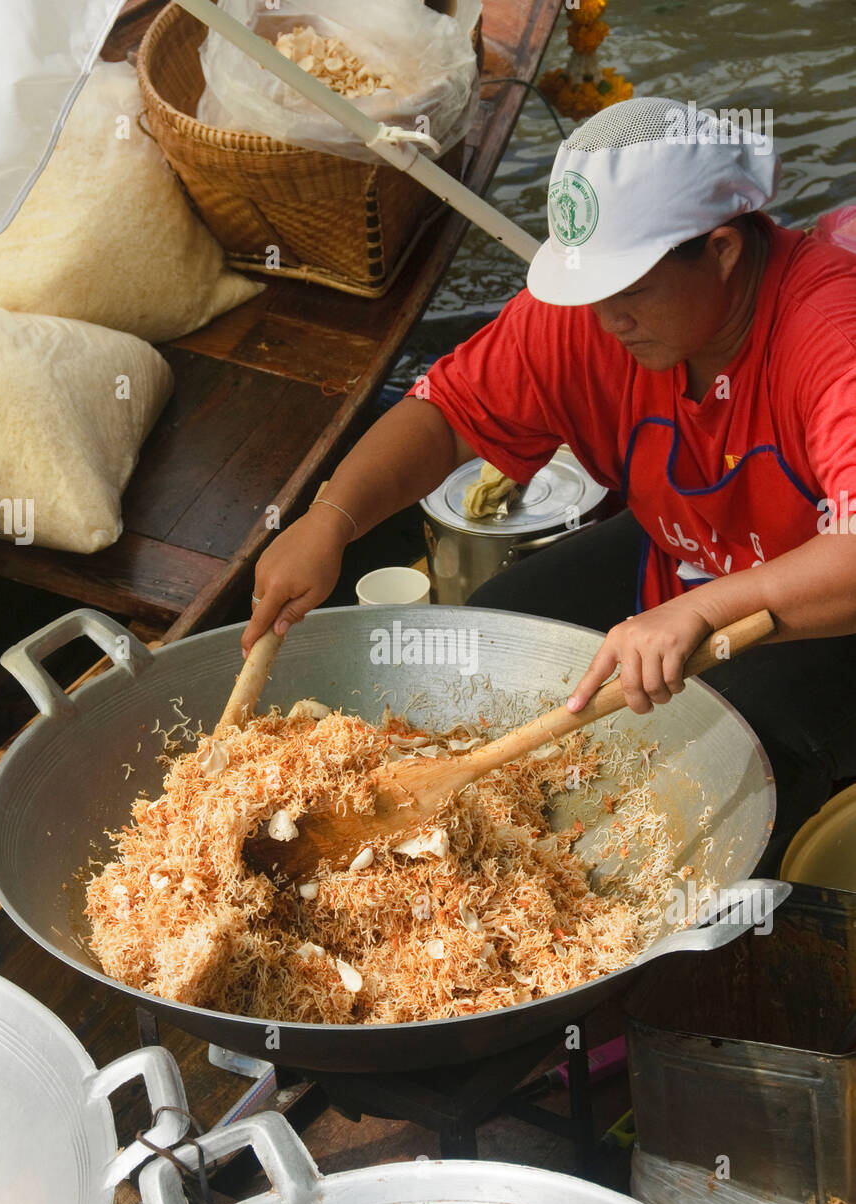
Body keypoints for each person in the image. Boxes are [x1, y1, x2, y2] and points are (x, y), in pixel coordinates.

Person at [243, 96, 856, 871]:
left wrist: (697, 609)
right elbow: (446, 413)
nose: (604, 322)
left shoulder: (831, 331)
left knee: (729, 757)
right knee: (485, 635)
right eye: (588, 291)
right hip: (693, 548)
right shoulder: (597, 314)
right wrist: (329, 518)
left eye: (627, 291)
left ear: (724, 249)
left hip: (830, 616)